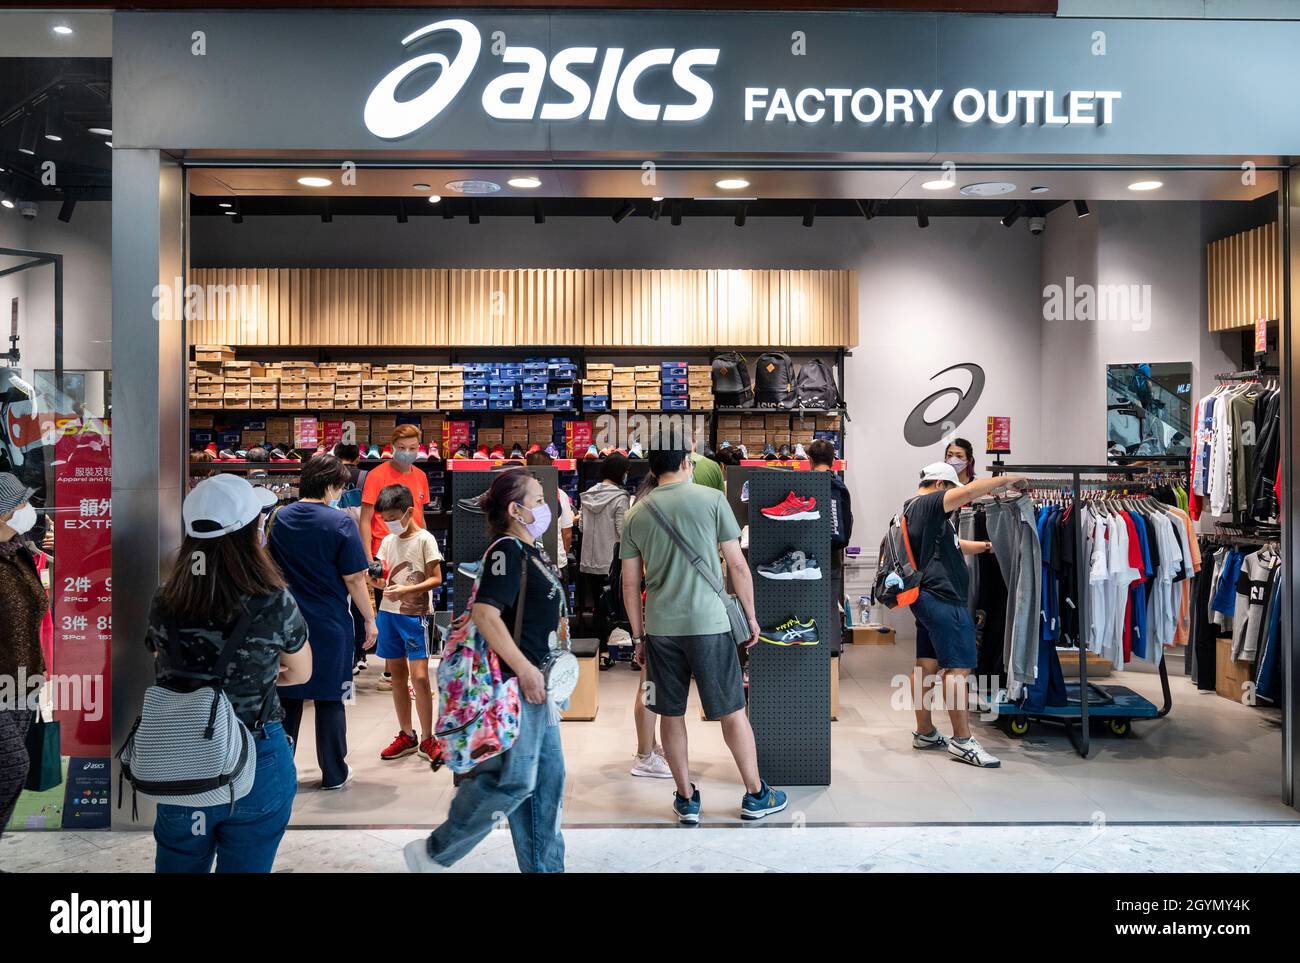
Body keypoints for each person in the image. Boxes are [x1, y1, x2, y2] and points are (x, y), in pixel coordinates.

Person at [146, 473, 312, 872]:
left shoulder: (167, 598)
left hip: (181, 754)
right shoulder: (273, 600)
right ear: (249, 533)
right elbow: (301, 672)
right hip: (256, 751)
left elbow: (158, 657)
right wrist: (262, 677)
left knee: (178, 861)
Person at [405, 470, 567, 873]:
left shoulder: (532, 552)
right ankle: (435, 852)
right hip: (515, 688)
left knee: (546, 785)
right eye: (540, 499)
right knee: (511, 781)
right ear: (516, 509)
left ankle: (546, 867)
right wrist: (526, 670)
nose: (547, 507)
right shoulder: (506, 551)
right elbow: (485, 614)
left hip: (539, 691)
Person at [620, 449, 787, 823]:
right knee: (731, 711)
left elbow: (630, 583)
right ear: (684, 464)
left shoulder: (636, 513)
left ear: (652, 468)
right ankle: (756, 794)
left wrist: (637, 637)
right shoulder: (712, 499)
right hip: (711, 624)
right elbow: (738, 564)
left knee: (671, 713)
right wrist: (752, 617)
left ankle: (687, 798)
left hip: (662, 627)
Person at [904, 462, 1025, 769]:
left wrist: (989, 546)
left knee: (926, 666)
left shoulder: (910, 509)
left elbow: (953, 546)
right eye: (952, 490)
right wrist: (1008, 479)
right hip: (944, 601)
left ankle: (925, 732)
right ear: (942, 486)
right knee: (958, 669)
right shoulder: (931, 503)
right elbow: (970, 490)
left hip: (926, 599)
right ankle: (962, 741)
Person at [267, 454, 377, 790]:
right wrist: (370, 620)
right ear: (329, 485)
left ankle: (278, 772)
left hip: (288, 623)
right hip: (330, 624)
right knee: (332, 698)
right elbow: (356, 579)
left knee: (287, 698)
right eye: (340, 486)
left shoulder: (279, 517)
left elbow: (268, 568)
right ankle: (334, 772)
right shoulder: (340, 522)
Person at [372, 484, 444, 763]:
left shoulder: (425, 539)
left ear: (408, 512)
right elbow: (381, 578)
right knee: (397, 678)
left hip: (416, 617)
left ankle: (428, 737)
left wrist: (406, 591)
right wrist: (370, 577)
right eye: (385, 518)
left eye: (392, 516)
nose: (389, 523)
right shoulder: (388, 542)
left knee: (421, 677)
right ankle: (407, 734)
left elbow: (436, 579)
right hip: (388, 614)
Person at [359, 425, 429, 693]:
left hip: (416, 550)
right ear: (393, 445)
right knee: (390, 609)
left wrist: (427, 547)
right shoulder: (377, 476)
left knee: (413, 609)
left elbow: (420, 515)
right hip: (384, 550)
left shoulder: (421, 476)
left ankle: (410, 670)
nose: (408, 453)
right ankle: (390, 672)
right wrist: (369, 557)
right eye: (403, 448)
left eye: (413, 448)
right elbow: (366, 520)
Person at [0, 474, 48, 848]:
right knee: (12, 768)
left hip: (24, 682)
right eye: (17, 506)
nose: (25, 511)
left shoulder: (19, 552)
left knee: (14, 773)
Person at [808, 439, 853, 649]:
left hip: (807, 557)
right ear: (833, 460)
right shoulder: (840, 487)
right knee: (831, 607)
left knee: (805, 605)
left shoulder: (805, 484)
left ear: (810, 460)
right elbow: (848, 524)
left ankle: (809, 655)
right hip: (834, 555)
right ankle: (832, 656)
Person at [525, 450, 574, 570]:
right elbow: (566, 533)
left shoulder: (518, 494)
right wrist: (563, 555)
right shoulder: (560, 494)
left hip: (528, 561)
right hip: (556, 560)